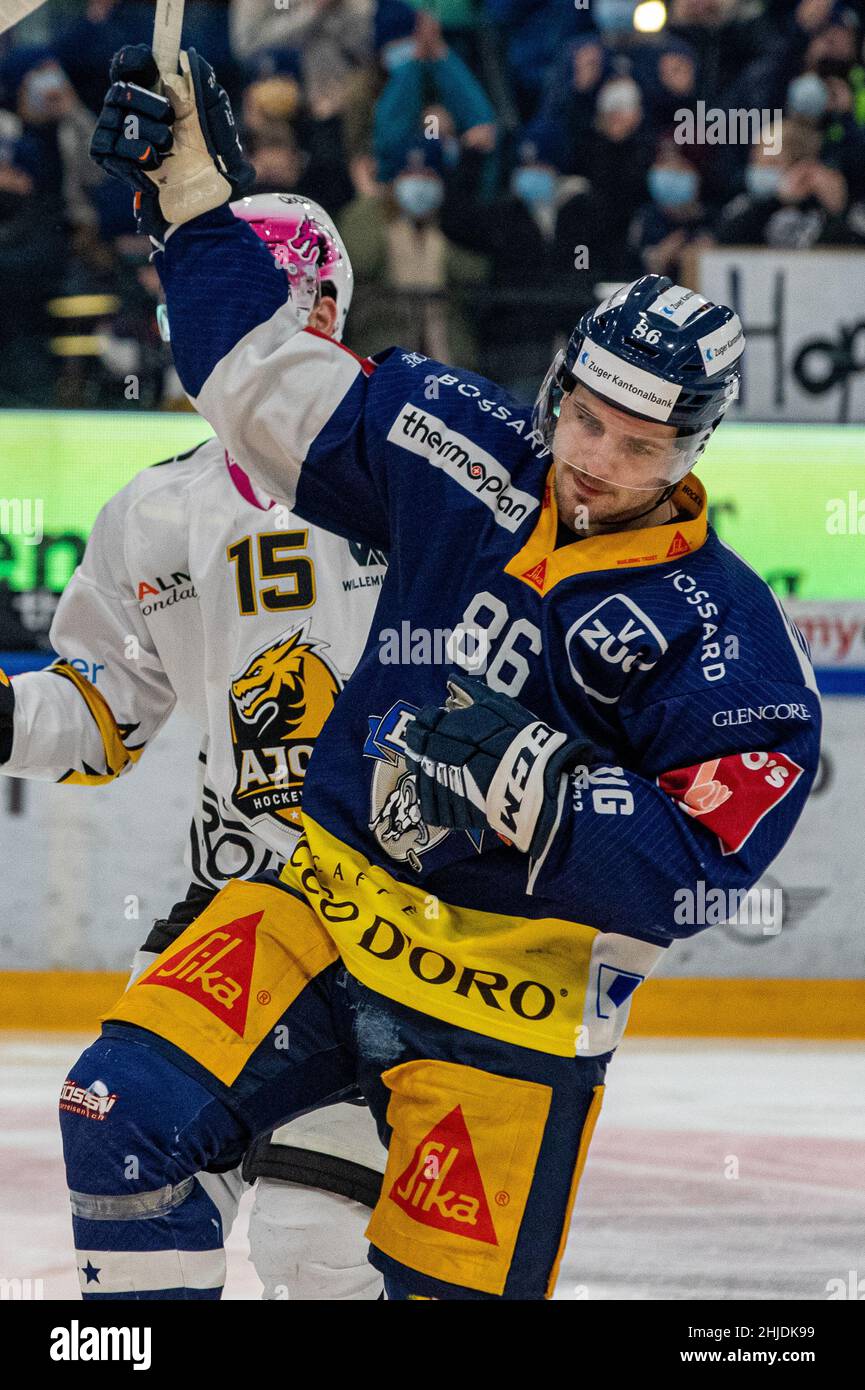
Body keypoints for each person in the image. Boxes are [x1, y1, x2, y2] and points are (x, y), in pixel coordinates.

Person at [69, 45, 822, 1300]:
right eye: (583, 416)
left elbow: (697, 878)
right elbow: (260, 379)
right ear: (560, 378)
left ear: (692, 448)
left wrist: (540, 781)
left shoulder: (730, 638)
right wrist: (192, 197)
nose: (591, 460)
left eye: (636, 445)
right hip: (327, 906)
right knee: (117, 1108)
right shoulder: (449, 436)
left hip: (513, 1003)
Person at [1, 191, 387, 1299]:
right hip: (241, 909)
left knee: (315, 1250)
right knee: (117, 1133)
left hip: (402, 929)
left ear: (317, 306)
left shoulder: (421, 474)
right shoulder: (154, 511)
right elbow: (104, 705)